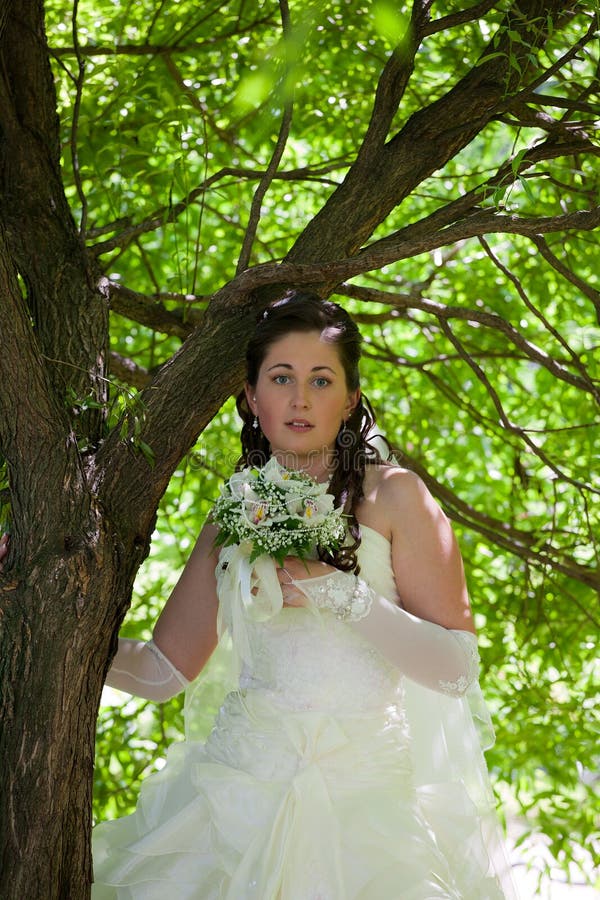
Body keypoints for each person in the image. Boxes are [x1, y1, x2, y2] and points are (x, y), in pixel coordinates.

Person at [1, 291, 516, 898]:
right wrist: (32, 610)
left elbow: (456, 669)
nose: (300, 398)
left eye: (321, 380)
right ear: (251, 396)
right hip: (233, 796)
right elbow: (164, 671)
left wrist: (335, 591)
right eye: (281, 378)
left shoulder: (397, 498)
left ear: (350, 398)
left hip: (367, 805)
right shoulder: (232, 514)